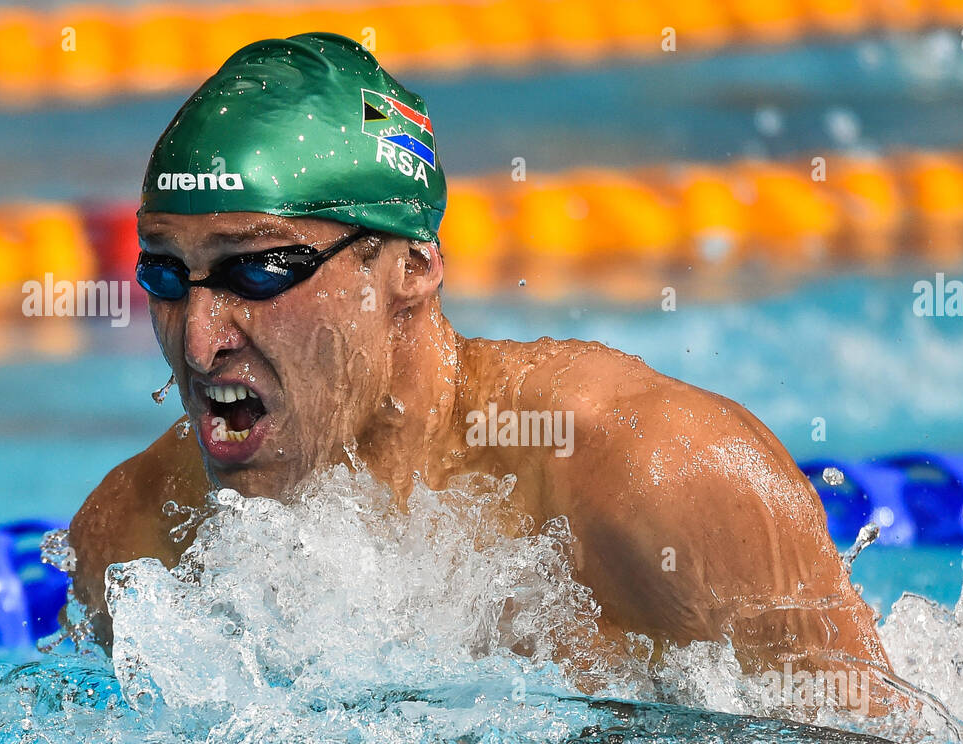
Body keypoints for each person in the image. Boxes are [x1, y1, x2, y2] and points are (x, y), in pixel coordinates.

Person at [66, 32, 892, 703]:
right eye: (168, 275)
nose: (200, 339)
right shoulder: (134, 545)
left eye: (259, 270)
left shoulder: (653, 473)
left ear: (411, 269)